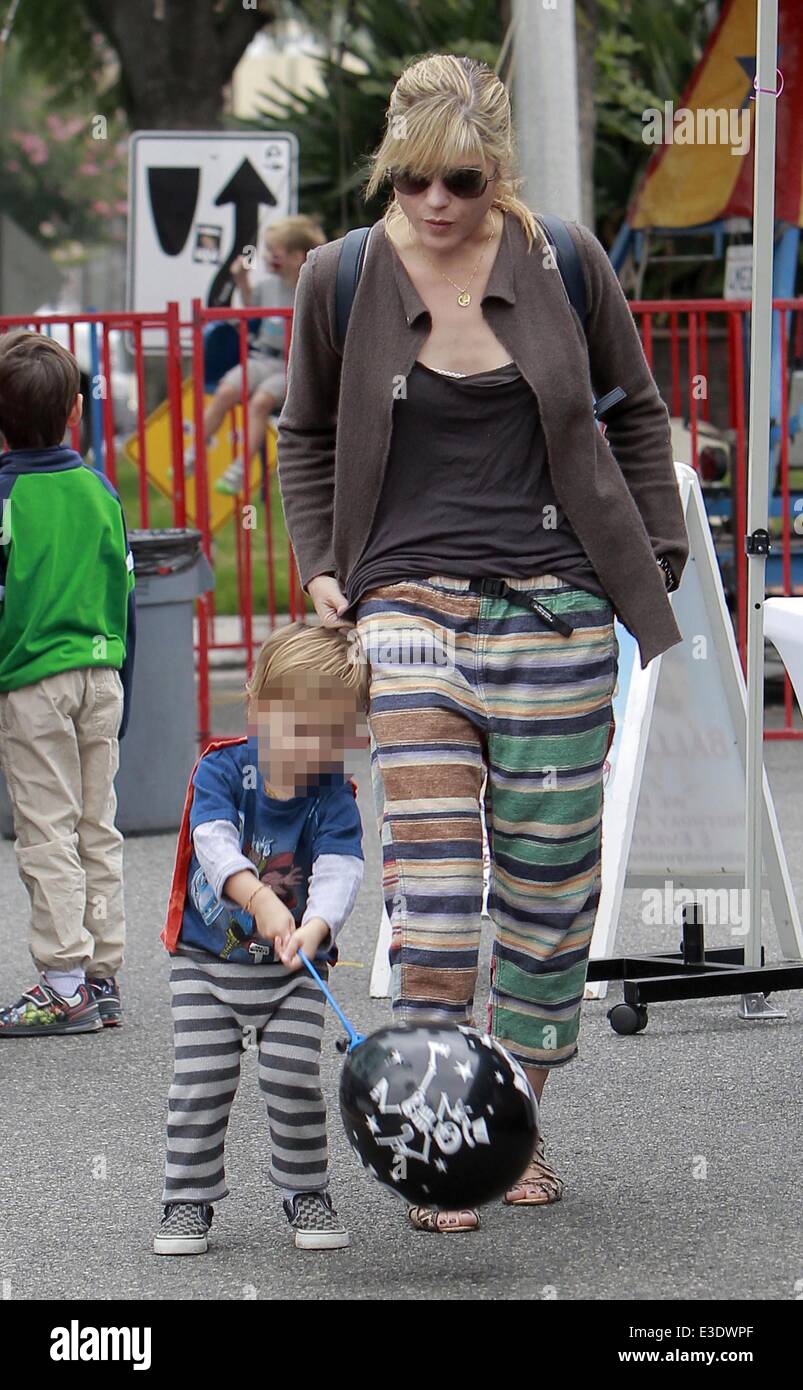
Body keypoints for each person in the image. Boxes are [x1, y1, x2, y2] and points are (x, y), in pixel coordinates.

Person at [277, 54, 689, 1233]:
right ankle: (438, 1131)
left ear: (494, 168)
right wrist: (321, 560)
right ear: (389, 175)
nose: (436, 205)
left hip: (556, 609)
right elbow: (302, 431)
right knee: (437, 885)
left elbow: (637, 404)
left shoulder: (561, 262)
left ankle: (508, 1122)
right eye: (412, 183)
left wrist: (650, 556)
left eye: (461, 179)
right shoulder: (340, 277)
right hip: (407, 609)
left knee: (552, 887)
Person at [153, 622, 369, 1255]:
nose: (310, 748)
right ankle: (186, 1199)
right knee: (202, 1081)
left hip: (294, 970)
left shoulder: (333, 794)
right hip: (205, 964)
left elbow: (341, 869)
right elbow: (212, 841)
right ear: (255, 704)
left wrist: (315, 926)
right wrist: (257, 898)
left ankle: (306, 1191)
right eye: (296, 726)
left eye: (331, 736)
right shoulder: (221, 768)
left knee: (294, 1077)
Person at [0, 330, 136, 1036]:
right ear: (76, 412)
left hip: (32, 683)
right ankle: (102, 973)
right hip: (102, 673)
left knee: (45, 831)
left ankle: (61, 981)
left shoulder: (6, 494)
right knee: (96, 824)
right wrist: (124, 681)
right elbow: (125, 591)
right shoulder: (99, 490)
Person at [194, 214, 326, 496]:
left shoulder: (312, 286)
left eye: (274, 253)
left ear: (296, 257)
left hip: (289, 366)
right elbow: (251, 307)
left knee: (261, 402)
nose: (267, 258)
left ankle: (241, 468)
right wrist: (241, 279)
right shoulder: (268, 286)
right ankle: (195, 450)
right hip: (261, 358)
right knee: (226, 391)